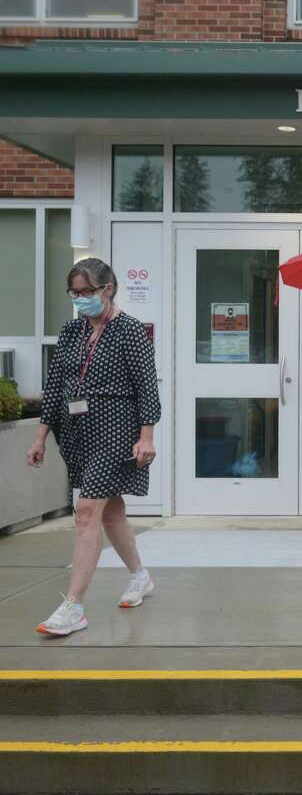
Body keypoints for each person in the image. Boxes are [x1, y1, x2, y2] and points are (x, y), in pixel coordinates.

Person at [26, 258, 161, 637]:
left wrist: (146, 435)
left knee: (86, 512)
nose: (82, 299)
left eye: (88, 292)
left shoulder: (130, 331)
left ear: (108, 289)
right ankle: (140, 576)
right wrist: (40, 436)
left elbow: (146, 387)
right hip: (76, 432)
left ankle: (73, 607)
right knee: (110, 510)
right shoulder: (71, 331)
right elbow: (55, 386)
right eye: (75, 292)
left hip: (116, 429)